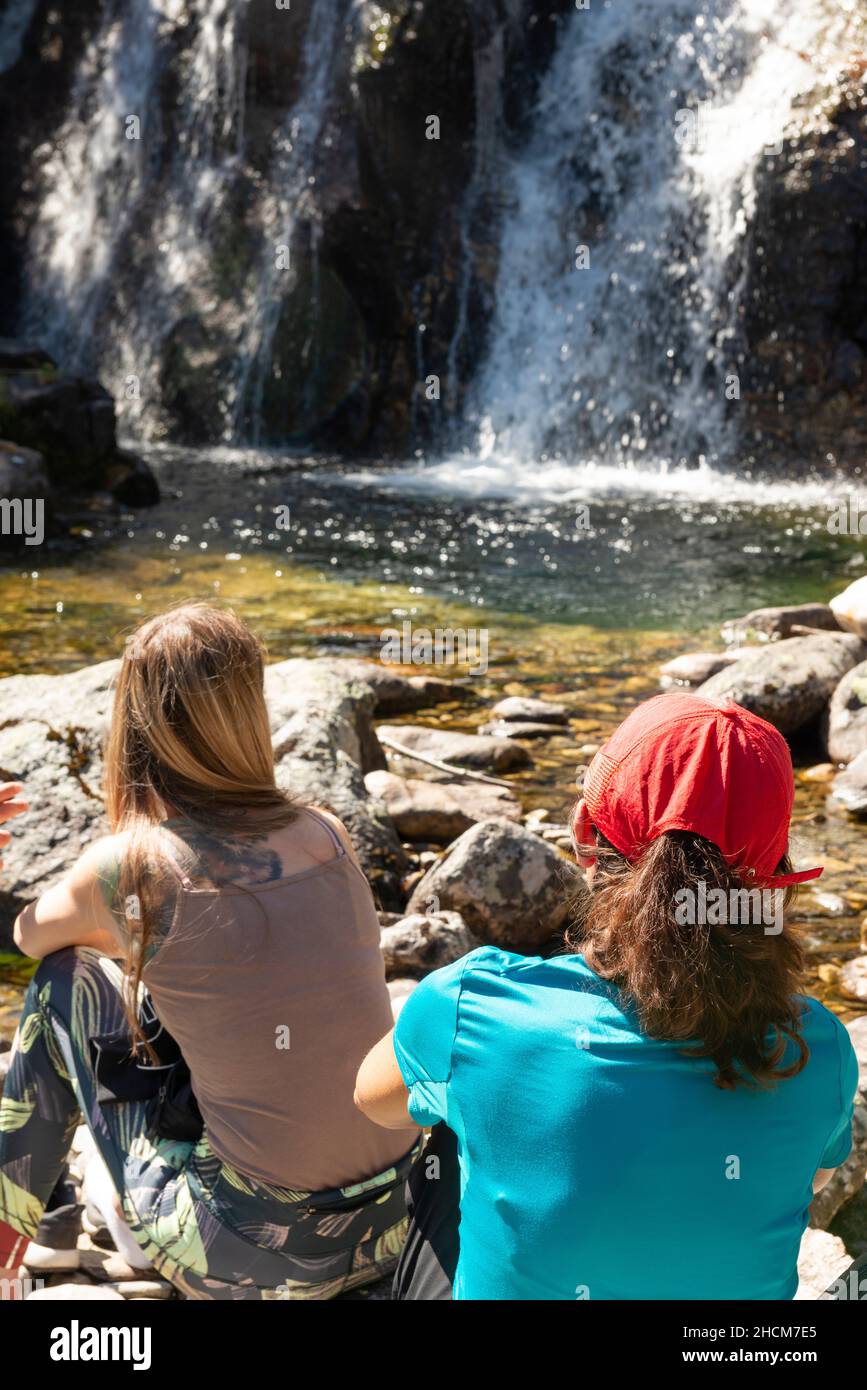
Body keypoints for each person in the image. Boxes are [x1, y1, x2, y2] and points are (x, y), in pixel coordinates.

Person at [356, 692, 860, 1300]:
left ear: (585, 836)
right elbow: (814, 1175)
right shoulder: (820, 1046)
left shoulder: (473, 1004)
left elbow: (374, 1103)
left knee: (447, 1123)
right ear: (777, 871)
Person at [0, 603, 419, 1299]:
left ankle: (21, 1238)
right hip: (393, 1224)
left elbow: (25, 939)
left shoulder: (131, 867)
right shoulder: (328, 833)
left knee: (63, 979)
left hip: (254, 1258)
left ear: (135, 726)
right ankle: (70, 1225)